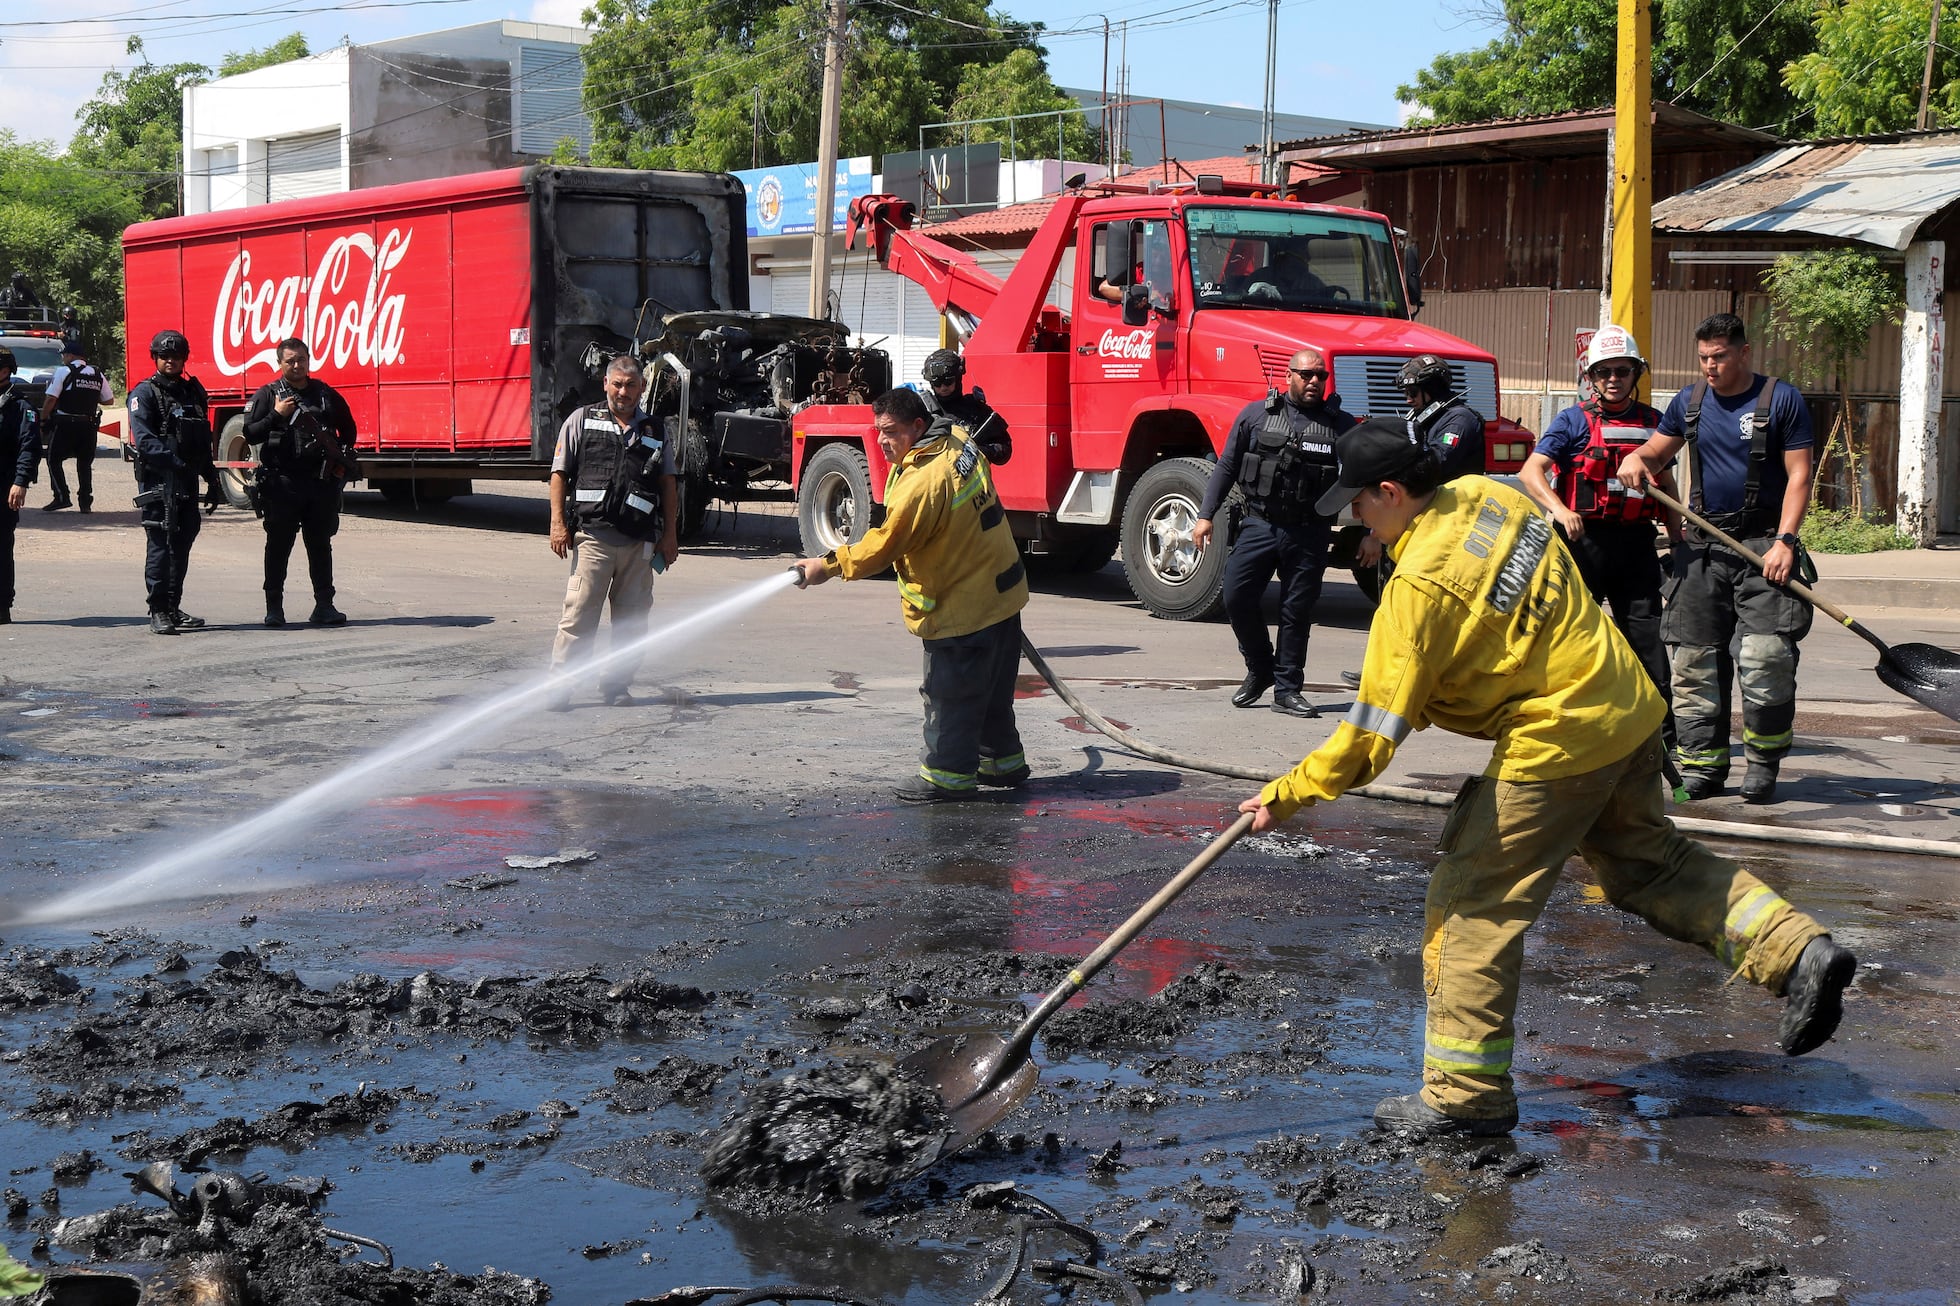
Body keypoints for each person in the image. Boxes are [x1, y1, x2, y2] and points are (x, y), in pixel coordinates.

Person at [1239, 418, 1856, 1138]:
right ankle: (1797, 950)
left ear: (1391, 491)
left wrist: (1285, 796)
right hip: (1623, 708)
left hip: (1557, 741)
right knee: (1650, 866)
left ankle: (1463, 1095)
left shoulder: (1418, 588)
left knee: (1473, 904)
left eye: (1359, 502)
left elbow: (1370, 739)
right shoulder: (1484, 495)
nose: (1352, 516)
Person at [791, 387, 1030, 803]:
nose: (883, 441)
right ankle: (1002, 764)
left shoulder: (924, 481)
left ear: (918, 426)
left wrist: (825, 565)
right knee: (991, 692)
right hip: (1000, 594)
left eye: (892, 432)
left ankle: (946, 776)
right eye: (878, 432)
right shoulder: (956, 439)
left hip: (962, 608)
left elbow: (885, 544)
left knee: (950, 696)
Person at [1617, 313, 1815, 805]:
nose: (1710, 365)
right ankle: (1703, 769)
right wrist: (1637, 460)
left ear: (1744, 353)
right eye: (1704, 356)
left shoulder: (1781, 399)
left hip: (1762, 546)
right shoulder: (1689, 402)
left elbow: (1799, 476)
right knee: (1693, 665)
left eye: (1720, 356)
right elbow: (1656, 454)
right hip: (1703, 549)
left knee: (1765, 658)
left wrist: (1786, 541)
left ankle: (1764, 766)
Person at [1517, 324, 1683, 764]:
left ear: (1636, 374)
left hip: (1636, 546)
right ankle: (1568, 729)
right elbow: (1531, 473)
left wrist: (1681, 540)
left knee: (1647, 644)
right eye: (1604, 371)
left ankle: (1661, 739)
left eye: (1623, 371)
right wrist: (1559, 508)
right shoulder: (1572, 420)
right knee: (1570, 642)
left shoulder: (1654, 424)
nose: (1614, 378)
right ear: (1591, 377)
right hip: (1580, 544)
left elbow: (1666, 483)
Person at [1193, 347, 1354, 717]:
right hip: (1260, 524)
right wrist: (1205, 515)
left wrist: (1373, 531)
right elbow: (1227, 466)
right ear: (1289, 376)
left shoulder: (1341, 425)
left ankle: (1287, 689)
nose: (1315, 382)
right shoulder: (1256, 415)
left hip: (1309, 532)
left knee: (1296, 612)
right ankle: (1260, 667)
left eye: (1321, 376)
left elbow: (1362, 479)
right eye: (1307, 375)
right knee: (1236, 596)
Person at [546, 354, 679, 710]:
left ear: (642, 388)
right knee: (578, 619)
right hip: (594, 539)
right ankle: (561, 687)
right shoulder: (581, 420)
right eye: (617, 384)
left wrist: (670, 535)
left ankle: (616, 687)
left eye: (631, 385)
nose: (623, 391)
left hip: (640, 543)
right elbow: (559, 474)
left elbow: (668, 484)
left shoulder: (655, 431)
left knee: (632, 624)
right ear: (605, 383)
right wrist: (558, 523)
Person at [242, 337, 359, 627]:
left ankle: (325, 605)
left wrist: (337, 462)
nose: (296, 365)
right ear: (279, 363)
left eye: (301, 360)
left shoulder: (324, 394)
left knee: (320, 545)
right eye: (290, 361)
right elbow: (251, 433)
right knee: (279, 546)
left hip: (319, 485)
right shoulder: (268, 394)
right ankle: (274, 608)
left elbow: (349, 429)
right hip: (282, 484)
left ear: (309, 360)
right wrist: (276, 415)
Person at [128, 329, 222, 635]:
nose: (170, 360)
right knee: (160, 545)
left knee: (182, 546)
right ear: (155, 357)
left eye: (176, 356)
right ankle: (157, 610)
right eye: (164, 356)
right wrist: (178, 464)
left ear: (184, 358)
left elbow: (202, 438)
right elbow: (145, 441)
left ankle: (172, 606)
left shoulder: (192, 392)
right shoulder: (144, 394)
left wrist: (211, 478)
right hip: (159, 482)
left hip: (186, 481)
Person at [39, 335, 112, 513]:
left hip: (66, 424)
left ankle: (61, 496)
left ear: (71, 356)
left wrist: (42, 419)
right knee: (84, 464)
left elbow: (51, 399)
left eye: (64, 355)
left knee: (53, 459)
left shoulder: (64, 372)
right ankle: (85, 502)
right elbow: (109, 400)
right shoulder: (97, 373)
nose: (63, 358)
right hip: (88, 425)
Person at [1, 348, 42, 624]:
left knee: (2, 547)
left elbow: (29, 447)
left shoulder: (20, 406)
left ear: (7, 371)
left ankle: (2, 604)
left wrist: (21, 481)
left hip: (4, 488)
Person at [1397, 353, 1484, 481]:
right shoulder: (1426, 418)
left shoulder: (1460, 418)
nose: (1408, 400)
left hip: (1456, 498)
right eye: (1406, 393)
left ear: (1432, 388)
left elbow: (1439, 460)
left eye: (1413, 392)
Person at [919, 348, 1011, 465]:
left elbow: (1004, 448)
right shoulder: (923, 412)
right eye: (937, 383)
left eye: (948, 381)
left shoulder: (976, 409)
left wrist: (978, 451)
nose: (943, 387)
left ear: (958, 378)